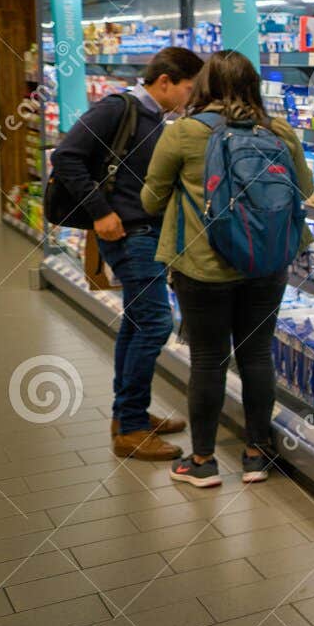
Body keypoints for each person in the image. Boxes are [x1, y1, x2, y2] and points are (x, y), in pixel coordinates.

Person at [141, 51, 312, 488]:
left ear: (202, 86)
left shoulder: (182, 134)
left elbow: (151, 200)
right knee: (256, 355)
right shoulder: (278, 131)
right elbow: (304, 189)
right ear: (253, 85)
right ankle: (256, 454)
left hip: (203, 268)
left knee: (208, 361)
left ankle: (202, 462)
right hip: (266, 266)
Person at [49, 46, 202, 460]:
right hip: (127, 233)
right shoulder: (119, 108)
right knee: (155, 323)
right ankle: (130, 429)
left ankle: (128, 414)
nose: (191, 97)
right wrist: (101, 212)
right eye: (189, 88)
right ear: (165, 81)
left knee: (137, 321)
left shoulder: (156, 117)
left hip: (143, 229)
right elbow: (66, 156)